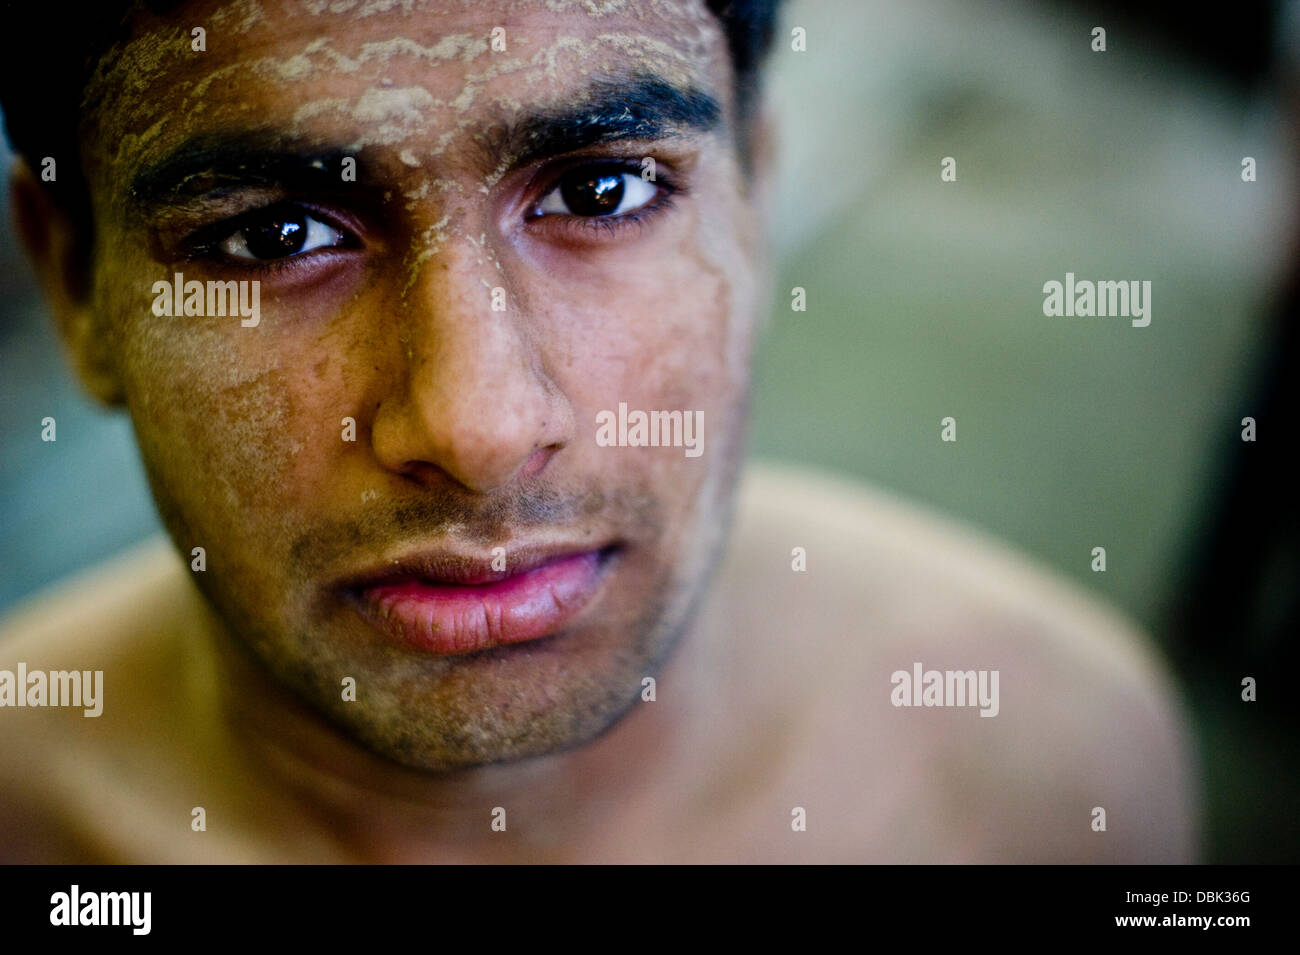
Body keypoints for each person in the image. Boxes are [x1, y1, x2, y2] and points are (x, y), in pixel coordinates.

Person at [0, 0, 1195, 863]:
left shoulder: (1041, 761)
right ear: (75, 286)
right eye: (273, 235)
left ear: (756, 196)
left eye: (598, 191)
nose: (480, 427)